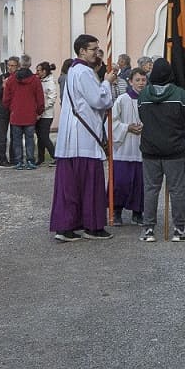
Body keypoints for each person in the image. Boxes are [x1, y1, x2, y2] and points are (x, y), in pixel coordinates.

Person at [50, 34, 116, 241]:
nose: (97, 52)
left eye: (97, 49)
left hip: (73, 133)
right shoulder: (85, 72)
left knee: (70, 185)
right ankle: (92, 225)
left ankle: (68, 225)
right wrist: (107, 83)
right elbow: (99, 100)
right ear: (81, 51)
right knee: (90, 183)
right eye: (93, 49)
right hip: (83, 135)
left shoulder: (73, 71)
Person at [137, 58, 185, 241]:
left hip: (150, 149)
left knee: (151, 189)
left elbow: (142, 117)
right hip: (175, 149)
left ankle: (148, 230)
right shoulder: (180, 94)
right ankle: (179, 230)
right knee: (177, 190)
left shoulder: (144, 95)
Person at [111, 67, 148, 225]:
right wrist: (127, 127)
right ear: (130, 81)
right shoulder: (122, 99)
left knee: (141, 182)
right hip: (124, 146)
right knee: (121, 181)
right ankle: (117, 211)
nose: (141, 83)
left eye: (143, 80)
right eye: (137, 80)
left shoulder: (149, 99)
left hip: (142, 146)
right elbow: (111, 122)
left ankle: (137, 213)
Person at [4, 58, 44, 168]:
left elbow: (6, 98)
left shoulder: (11, 79)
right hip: (30, 114)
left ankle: (18, 161)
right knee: (30, 139)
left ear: (20, 65)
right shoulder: (35, 80)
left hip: (16, 114)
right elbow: (40, 98)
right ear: (30, 65)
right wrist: (39, 111)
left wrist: (11, 108)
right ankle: (30, 160)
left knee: (17, 139)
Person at [0, 57, 16, 168]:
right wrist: (3, 86)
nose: (10, 68)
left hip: (14, 110)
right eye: (9, 65)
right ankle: (2, 159)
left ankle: (14, 158)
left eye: (13, 66)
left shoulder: (17, 78)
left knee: (14, 135)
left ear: (17, 67)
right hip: (2, 111)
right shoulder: (2, 78)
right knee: (2, 135)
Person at [36, 61, 58, 164]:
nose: (37, 72)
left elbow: (52, 98)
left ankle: (54, 156)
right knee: (39, 137)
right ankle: (41, 158)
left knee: (44, 136)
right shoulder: (39, 81)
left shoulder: (50, 82)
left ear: (44, 71)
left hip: (47, 114)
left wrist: (42, 108)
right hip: (38, 114)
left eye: (39, 70)